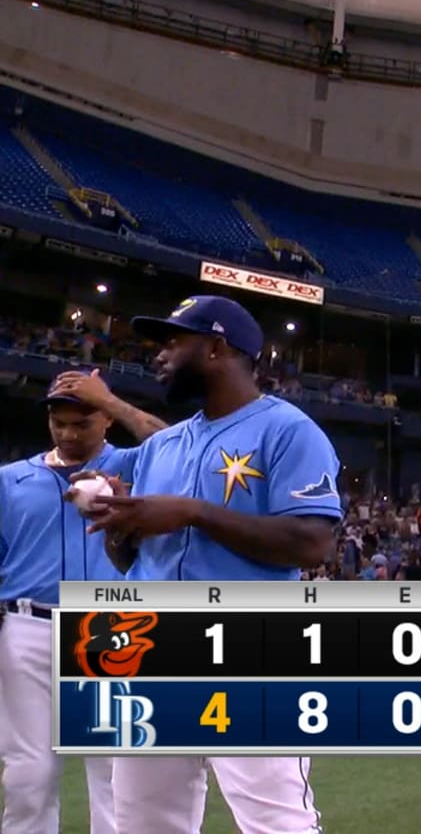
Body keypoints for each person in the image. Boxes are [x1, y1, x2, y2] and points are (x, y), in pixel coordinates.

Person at [71, 295, 341, 834]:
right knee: (144, 823)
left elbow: (313, 543)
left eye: (174, 341)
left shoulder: (288, 429)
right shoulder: (162, 446)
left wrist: (191, 512)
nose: (160, 355)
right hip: (147, 646)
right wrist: (122, 525)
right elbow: (130, 558)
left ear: (217, 347)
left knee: (277, 824)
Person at [0, 370, 164, 834]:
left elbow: (182, 447)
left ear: (106, 420)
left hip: (111, 622)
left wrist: (111, 400)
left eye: (82, 422)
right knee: (28, 775)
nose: (69, 433)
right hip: (26, 626)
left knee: (115, 774)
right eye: (59, 422)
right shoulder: (10, 479)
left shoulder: (135, 465)